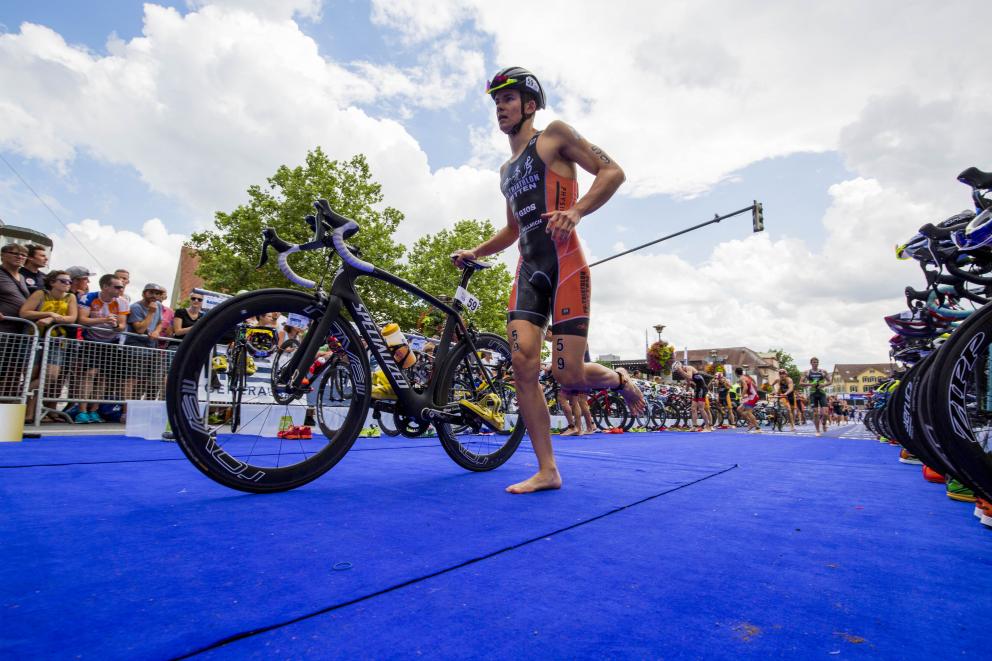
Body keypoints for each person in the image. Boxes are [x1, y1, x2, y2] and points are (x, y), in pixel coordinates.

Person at [451, 66, 643, 494]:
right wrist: (476, 251)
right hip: (528, 269)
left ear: (530, 105)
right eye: (496, 101)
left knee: (568, 376)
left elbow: (612, 172)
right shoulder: (505, 171)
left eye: (508, 98)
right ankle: (547, 470)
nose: (500, 107)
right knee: (523, 365)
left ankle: (618, 379)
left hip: (567, 264)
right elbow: (512, 231)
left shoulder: (554, 136)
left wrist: (576, 211)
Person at [20, 270, 78, 422]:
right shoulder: (40, 294)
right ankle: (29, 413)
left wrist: (53, 319)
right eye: (63, 281)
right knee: (32, 375)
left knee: (50, 375)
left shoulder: (70, 297)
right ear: (52, 282)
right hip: (34, 337)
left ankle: (19, 395)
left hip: (56, 340)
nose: (68, 284)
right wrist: (49, 314)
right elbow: (25, 312)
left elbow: (72, 318)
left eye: (69, 282)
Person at [76, 274, 129, 423]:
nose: (121, 289)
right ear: (105, 286)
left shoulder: (122, 302)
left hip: (110, 342)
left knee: (102, 377)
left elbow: (122, 325)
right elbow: (82, 320)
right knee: (89, 374)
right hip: (91, 340)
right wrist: (104, 320)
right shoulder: (89, 298)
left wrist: (115, 326)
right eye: (117, 286)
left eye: (122, 287)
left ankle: (94, 410)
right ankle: (82, 411)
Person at [671, 362, 713, 432]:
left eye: (677, 370)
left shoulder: (688, 368)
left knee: (701, 408)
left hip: (702, 388)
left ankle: (708, 427)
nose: (678, 372)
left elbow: (689, 377)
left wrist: (681, 371)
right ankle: (694, 426)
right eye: (677, 371)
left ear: (680, 367)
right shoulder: (683, 372)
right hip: (697, 388)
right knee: (693, 408)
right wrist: (685, 390)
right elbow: (688, 382)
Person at [0, 243, 30, 334]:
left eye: (23, 255)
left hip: (17, 328)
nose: (20, 257)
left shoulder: (22, 277)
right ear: (2, 255)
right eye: (15, 253)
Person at [800, 357, 831, 436]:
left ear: (818, 363)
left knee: (825, 413)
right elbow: (800, 383)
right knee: (815, 413)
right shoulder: (806, 372)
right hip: (813, 394)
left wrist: (824, 384)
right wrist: (810, 384)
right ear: (811, 363)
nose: (815, 363)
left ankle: (824, 424)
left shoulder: (823, 371)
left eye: (816, 362)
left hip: (821, 393)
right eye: (814, 362)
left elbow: (830, 381)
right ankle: (817, 430)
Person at [734, 367, 761, 432]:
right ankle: (751, 423)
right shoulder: (746, 377)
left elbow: (745, 387)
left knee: (749, 412)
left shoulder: (741, 378)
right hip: (752, 395)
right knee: (739, 409)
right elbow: (754, 385)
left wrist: (742, 396)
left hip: (752, 396)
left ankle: (757, 428)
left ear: (736, 373)